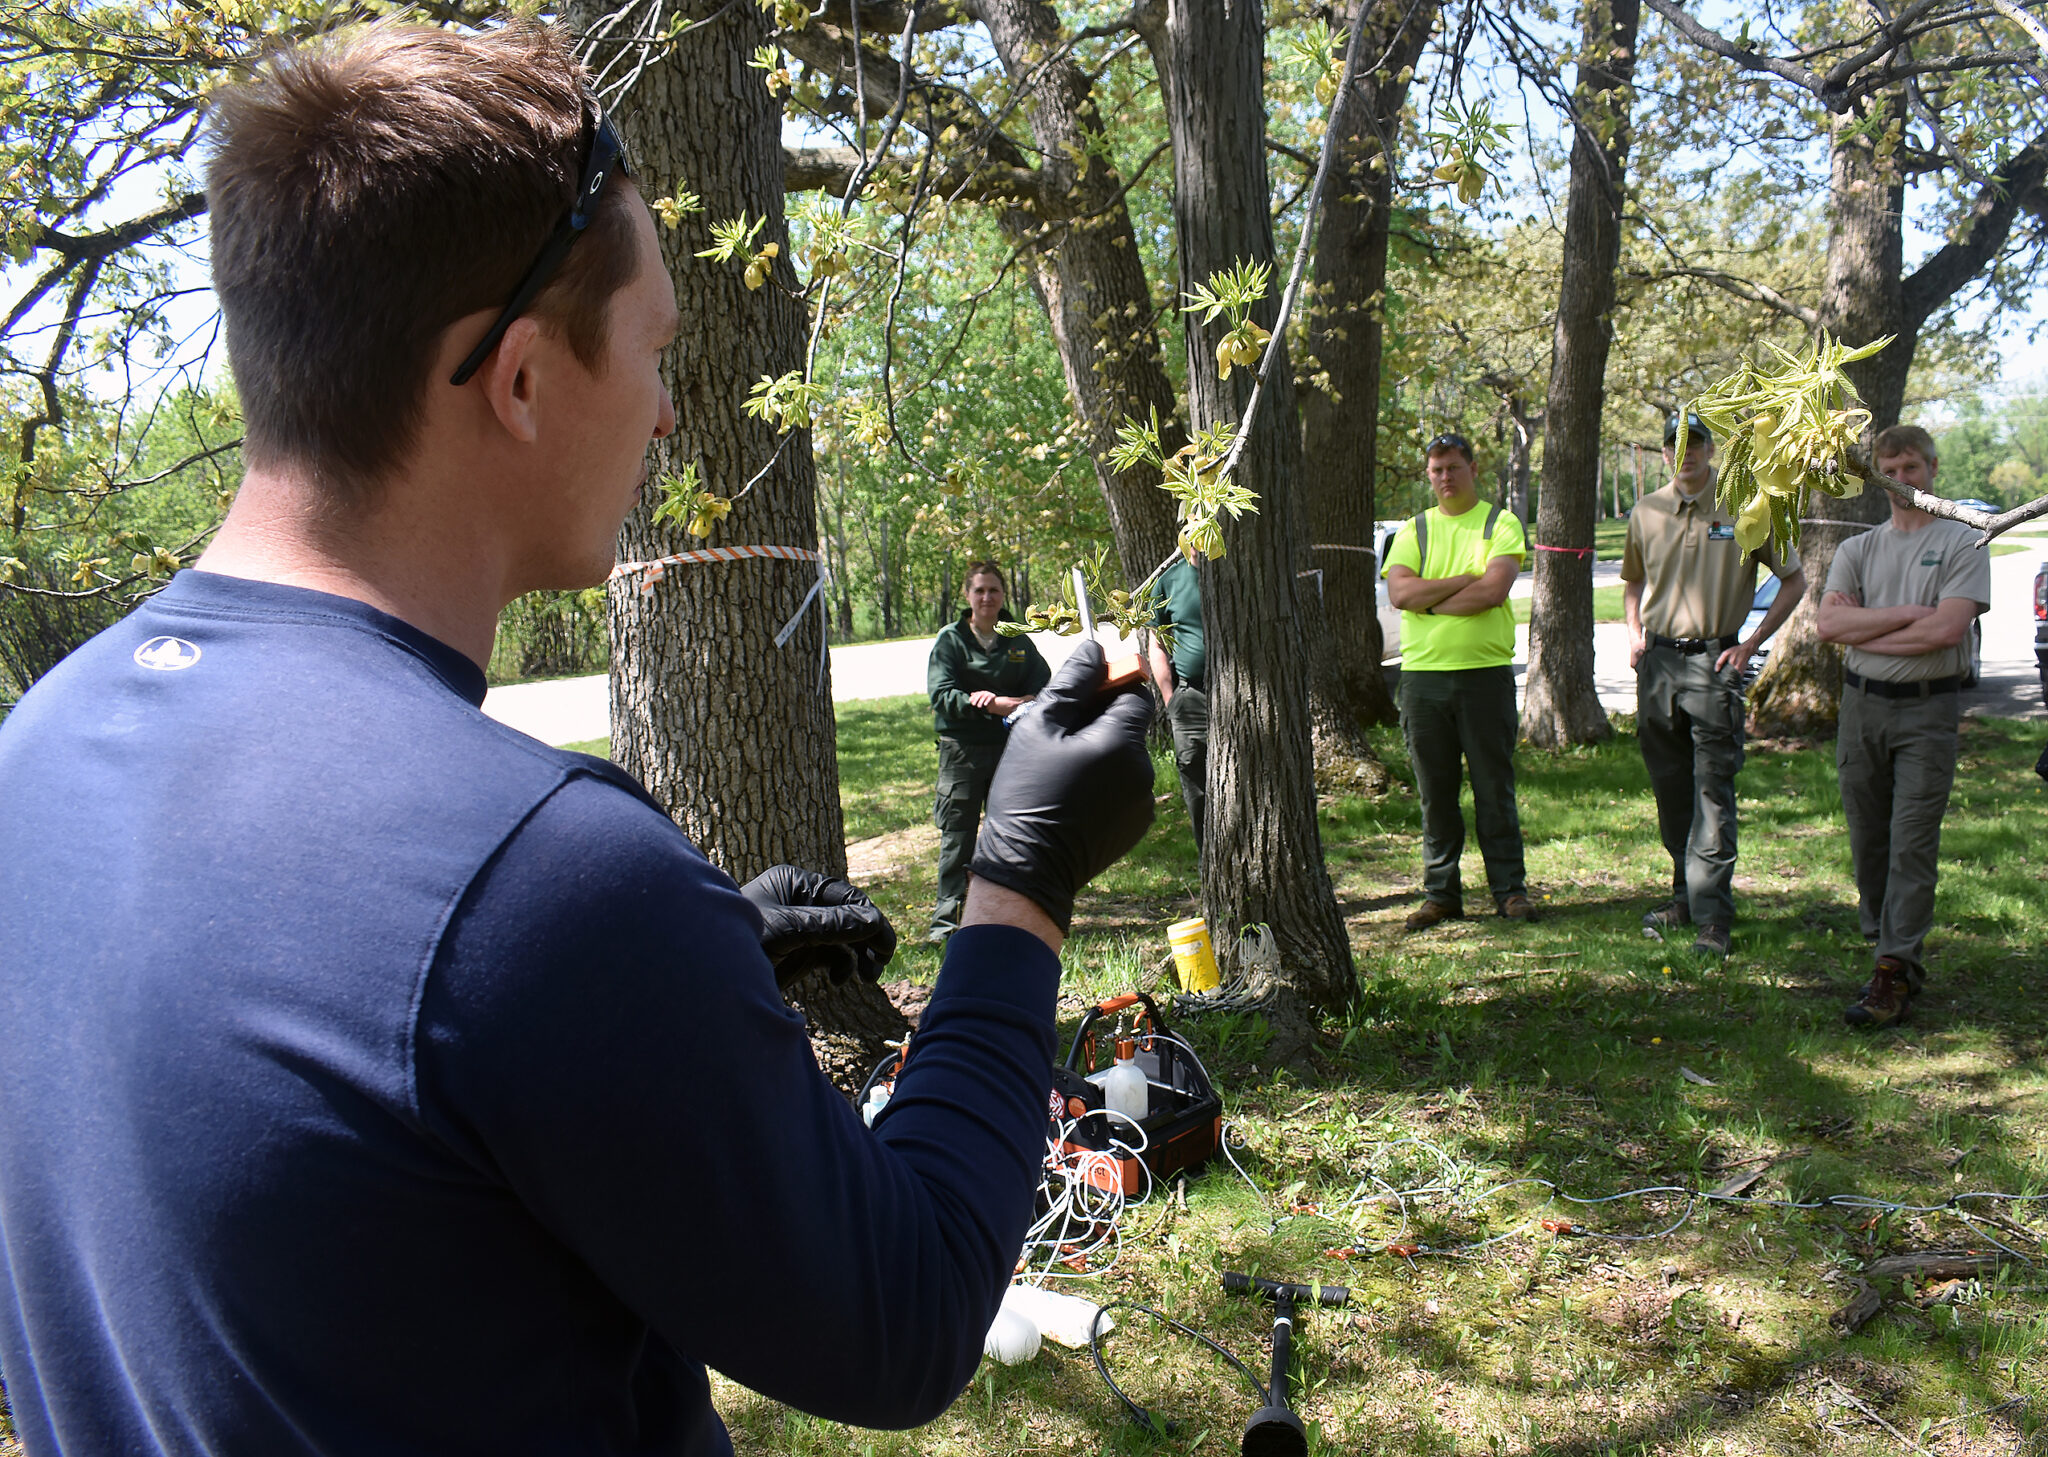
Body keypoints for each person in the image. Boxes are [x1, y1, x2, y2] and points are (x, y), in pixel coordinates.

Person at [0, 23, 1155, 1457]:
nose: (669, 410)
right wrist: (1023, 876)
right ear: (526, 381)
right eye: (656, 349)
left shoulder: (37, 751)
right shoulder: (538, 882)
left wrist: (651, 989)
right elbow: (907, 1313)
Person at [1816, 423, 1990, 1028]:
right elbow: (1828, 628)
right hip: (1862, 707)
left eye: (1910, 468)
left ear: (1932, 471)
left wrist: (1871, 623)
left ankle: (1893, 968)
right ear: (1874, 476)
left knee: (1912, 840)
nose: (1900, 481)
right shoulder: (1856, 550)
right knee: (1868, 838)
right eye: (1887, 471)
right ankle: (1884, 941)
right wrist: (1911, 615)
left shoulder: (1964, 542)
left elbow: (1947, 632)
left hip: (1928, 710)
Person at [1622, 413, 1807, 958]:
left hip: (1714, 663)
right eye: (1676, 446)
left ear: (1709, 449)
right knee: (1671, 790)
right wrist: (1633, 634)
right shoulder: (1647, 511)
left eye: (1696, 444)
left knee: (1712, 793)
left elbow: (1794, 580)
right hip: (1657, 666)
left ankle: (1713, 920)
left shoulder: (1748, 506)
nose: (1687, 455)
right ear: (1663, 454)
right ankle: (1684, 897)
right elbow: (1633, 579)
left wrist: (1751, 645)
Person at [1383, 431, 1536, 929]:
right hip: (1424, 682)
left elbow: (1493, 591)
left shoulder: (1501, 522)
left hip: (1484, 679)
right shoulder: (1414, 529)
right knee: (1436, 793)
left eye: (1453, 467)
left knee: (1495, 789)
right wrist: (1463, 580)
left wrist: (1434, 600)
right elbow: (1401, 594)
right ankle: (1441, 893)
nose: (1445, 477)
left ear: (1473, 468)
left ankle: (1510, 891)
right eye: (1436, 470)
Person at [925, 562, 1051, 941]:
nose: (986, 597)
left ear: (1002, 595)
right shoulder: (951, 640)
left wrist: (1019, 701)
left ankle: (1014, 915)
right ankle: (947, 924)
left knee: (1013, 834)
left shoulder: (1018, 639)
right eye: (979, 590)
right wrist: (988, 704)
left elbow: (1045, 687)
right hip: (962, 752)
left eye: (993, 590)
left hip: (1011, 750)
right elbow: (941, 696)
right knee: (957, 838)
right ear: (967, 595)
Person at [1146, 554, 1209, 849]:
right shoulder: (1169, 580)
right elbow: (1157, 644)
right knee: (1197, 783)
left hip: (1242, 694)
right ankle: (1208, 861)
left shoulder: (1240, 569)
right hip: (1191, 698)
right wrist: (1171, 697)